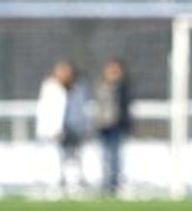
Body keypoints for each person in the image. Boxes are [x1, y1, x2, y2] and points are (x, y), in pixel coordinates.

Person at [35, 60, 90, 195]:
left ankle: (75, 185)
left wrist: (83, 127)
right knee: (53, 159)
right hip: (53, 130)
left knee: (74, 159)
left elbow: (81, 110)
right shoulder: (50, 88)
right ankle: (55, 185)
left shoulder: (78, 88)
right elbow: (44, 109)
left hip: (72, 128)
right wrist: (50, 127)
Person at [93, 58, 131, 197]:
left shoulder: (123, 87)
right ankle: (106, 183)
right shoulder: (102, 85)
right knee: (105, 156)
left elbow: (125, 108)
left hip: (117, 125)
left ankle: (114, 183)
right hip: (104, 125)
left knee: (115, 156)